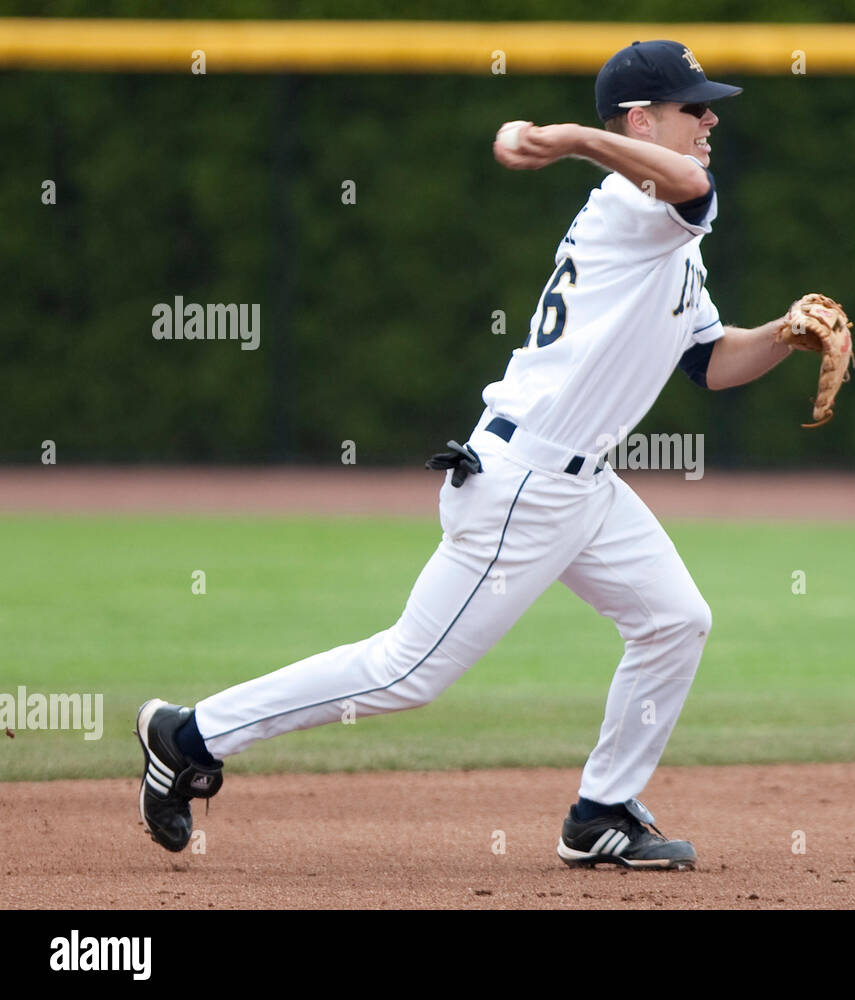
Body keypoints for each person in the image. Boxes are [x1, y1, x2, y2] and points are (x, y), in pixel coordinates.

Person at [136, 39, 801, 870]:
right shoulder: (637, 205)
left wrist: (785, 334)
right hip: (525, 484)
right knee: (404, 672)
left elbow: (710, 362)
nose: (710, 119)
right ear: (640, 120)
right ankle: (189, 733)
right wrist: (573, 137)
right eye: (692, 106)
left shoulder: (665, 231)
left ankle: (601, 814)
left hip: (584, 484)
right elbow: (692, 187)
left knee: (674, 620)